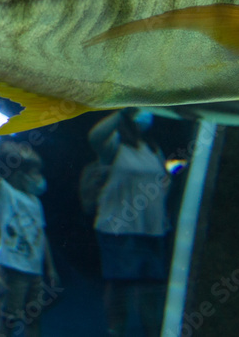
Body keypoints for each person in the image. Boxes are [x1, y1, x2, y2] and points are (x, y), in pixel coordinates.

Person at [89, 108, 171, 337]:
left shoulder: (153, 149)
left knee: (151, 290)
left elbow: (164, 181)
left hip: (152, 231)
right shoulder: (114, 145)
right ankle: (116, 331)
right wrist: (123, 111)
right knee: (120, 288)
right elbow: (94, 136)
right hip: (119, 229)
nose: (145, 114)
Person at [0, 140, 59, 337]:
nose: (39, 179)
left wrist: (50, 268)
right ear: (20, 175)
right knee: (9, 318)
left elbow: (41, 236)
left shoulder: (36, 203)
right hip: (13, 266)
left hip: (34, 269)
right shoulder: (6, 194)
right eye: (35, 173)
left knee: (34, 317)